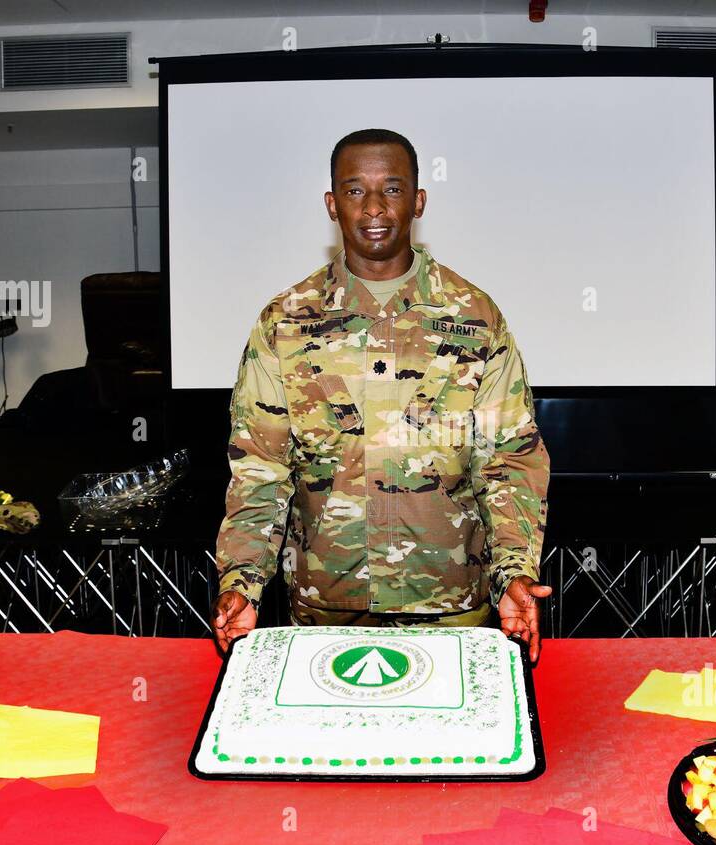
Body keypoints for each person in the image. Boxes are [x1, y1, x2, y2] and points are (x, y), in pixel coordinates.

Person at [212, 128, 552, 662]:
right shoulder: (285, 321)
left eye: (391, 190)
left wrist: (514, 573)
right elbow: (261, 468)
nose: (374, 207)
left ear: (418, 201)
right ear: (332, 204)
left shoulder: (474, 317)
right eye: (354, 191)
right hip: (326, 603)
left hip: (449, 602)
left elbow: (508, 463)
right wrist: (243, 581)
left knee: (451, 747)